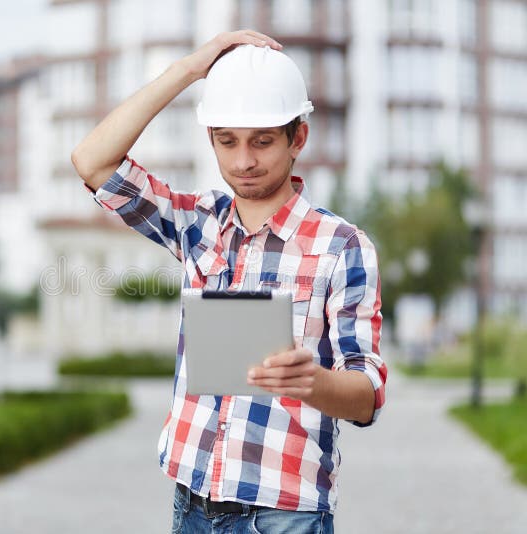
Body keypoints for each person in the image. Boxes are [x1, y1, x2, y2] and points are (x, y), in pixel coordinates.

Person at [72, 29, 387, 534]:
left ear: (297, 138)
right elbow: (93, 161)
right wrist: (187, 70)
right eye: (227, 140)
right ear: (211, 139)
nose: (243, 161)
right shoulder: (197, 224)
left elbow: (368, 393)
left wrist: (315, 382)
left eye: (262, 141)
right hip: (191, 506)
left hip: (285, 517)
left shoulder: (342, 246)